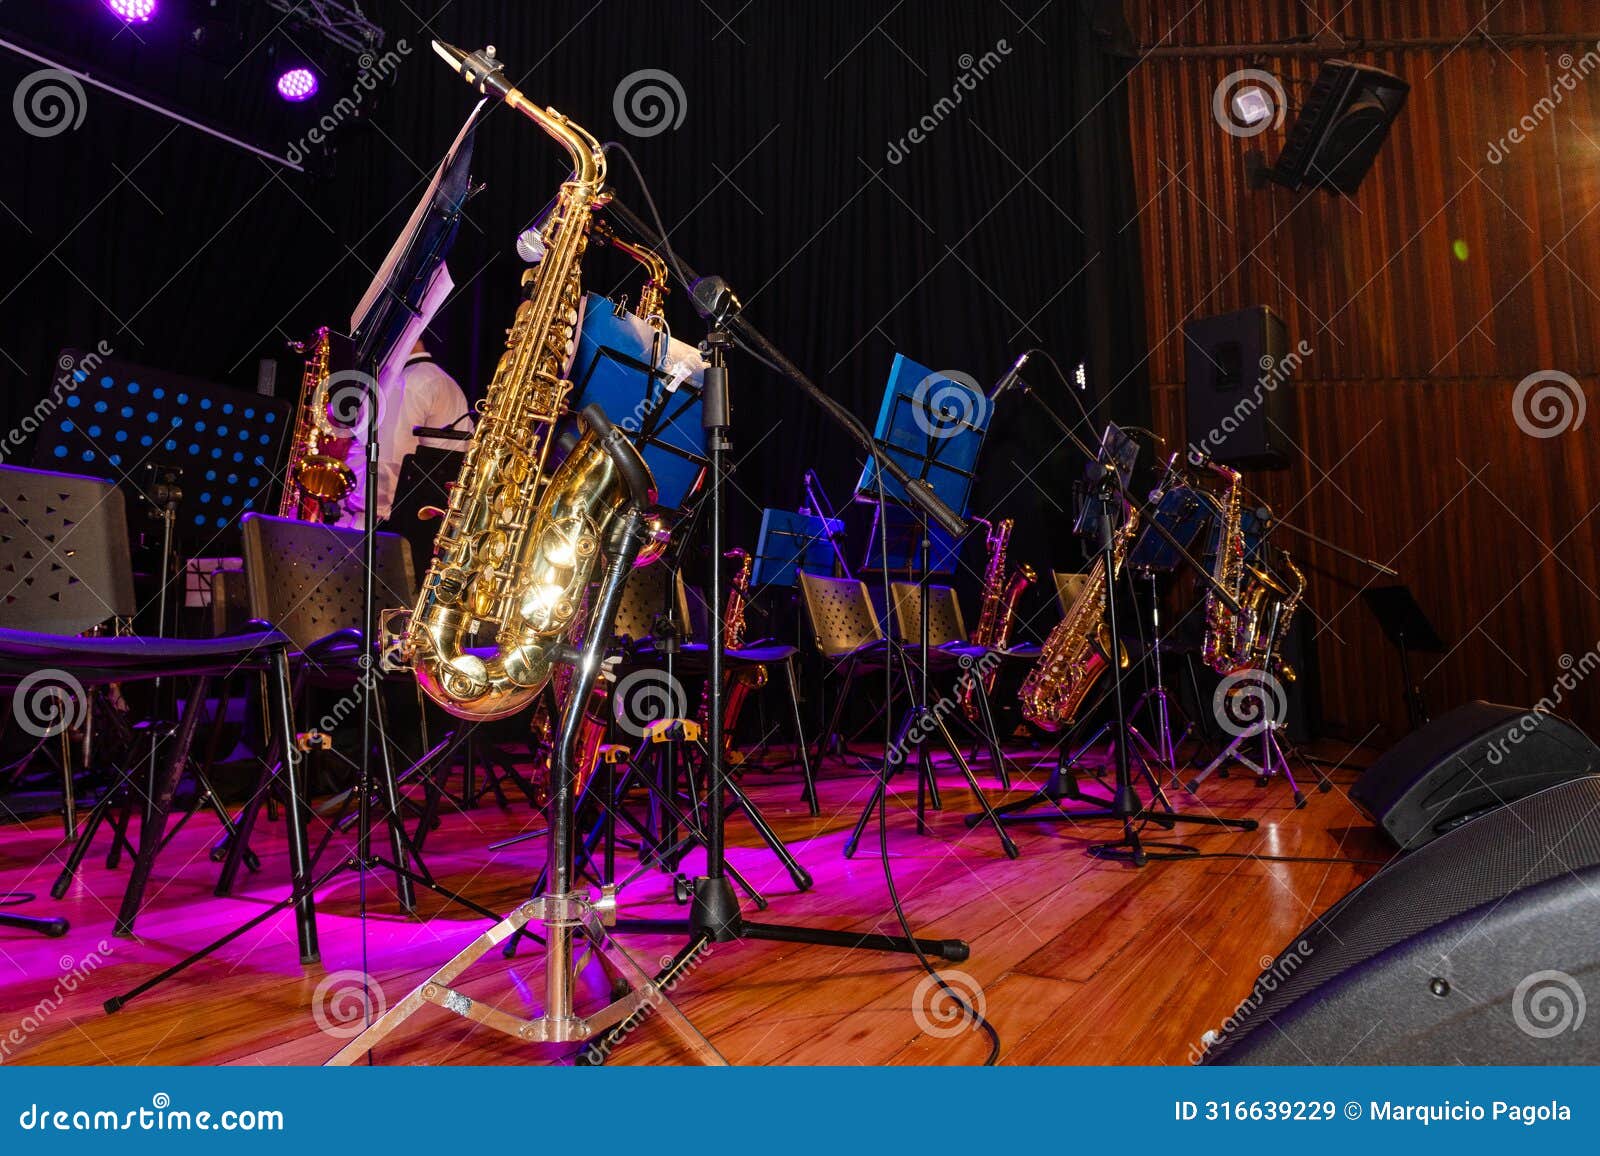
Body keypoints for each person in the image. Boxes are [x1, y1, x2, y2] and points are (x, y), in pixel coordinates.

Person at [343, 336, 471, 527]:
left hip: (377, 523)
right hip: (423, 517)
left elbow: (385, 468)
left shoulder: (406, 382)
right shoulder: (446, 382)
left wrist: (341, 501)